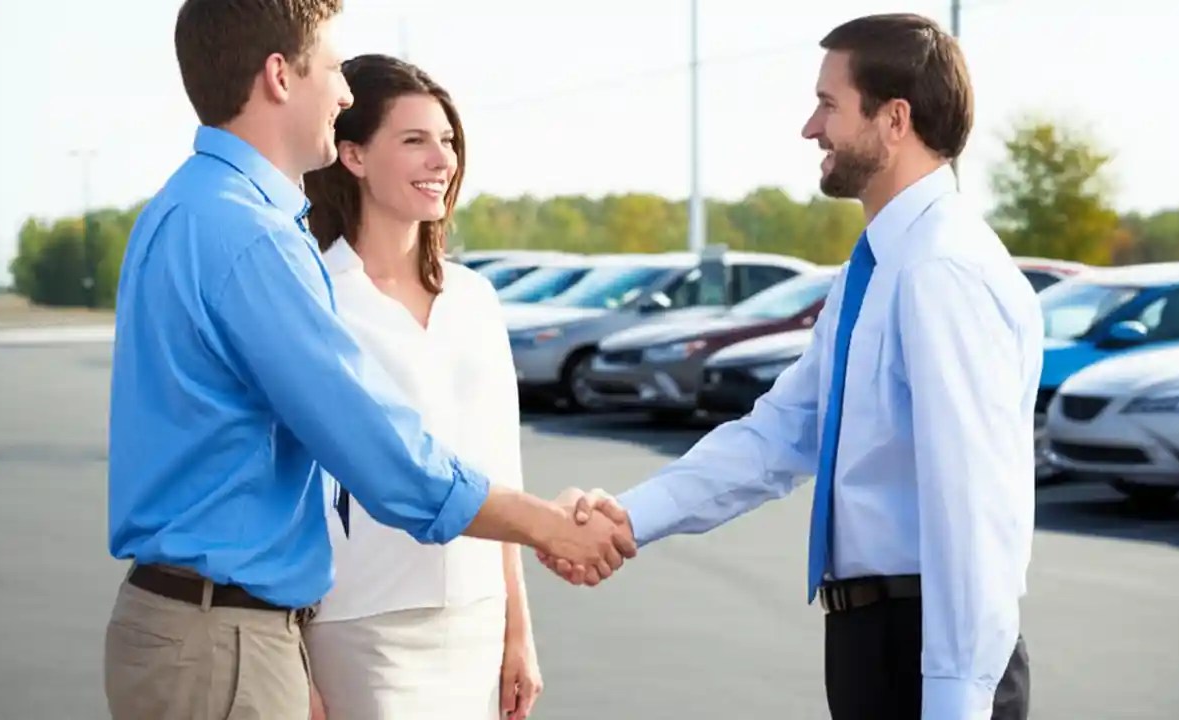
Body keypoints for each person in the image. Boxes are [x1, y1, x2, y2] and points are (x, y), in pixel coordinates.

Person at [103, 3, 633, 719]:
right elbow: (383, 456)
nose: (345, 92)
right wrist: (549, 525)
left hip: (206, 630)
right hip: (223, 641)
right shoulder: (249, 236)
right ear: (279, 77)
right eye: (330, 69)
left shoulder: (188, 207)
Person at [545, 13, 1040, 720]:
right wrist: (630, 517)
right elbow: (781, 432)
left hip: (931, 655)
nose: (811, 128)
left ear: (894, 119)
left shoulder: (942, 269)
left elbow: (971, 512)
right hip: (876, 644)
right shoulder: (875, 268)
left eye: (828, 105)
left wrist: (957, 704)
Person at [297, 54, 541, 720]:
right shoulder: (314, 298)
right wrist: (296, 663)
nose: (443, 159)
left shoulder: (476, 300)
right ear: (351, 154)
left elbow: (499, 472)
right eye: (415, 140)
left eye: (448, 140)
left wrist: (518, 630)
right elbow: (286, 488)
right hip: (360, 622)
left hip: (475, 619)